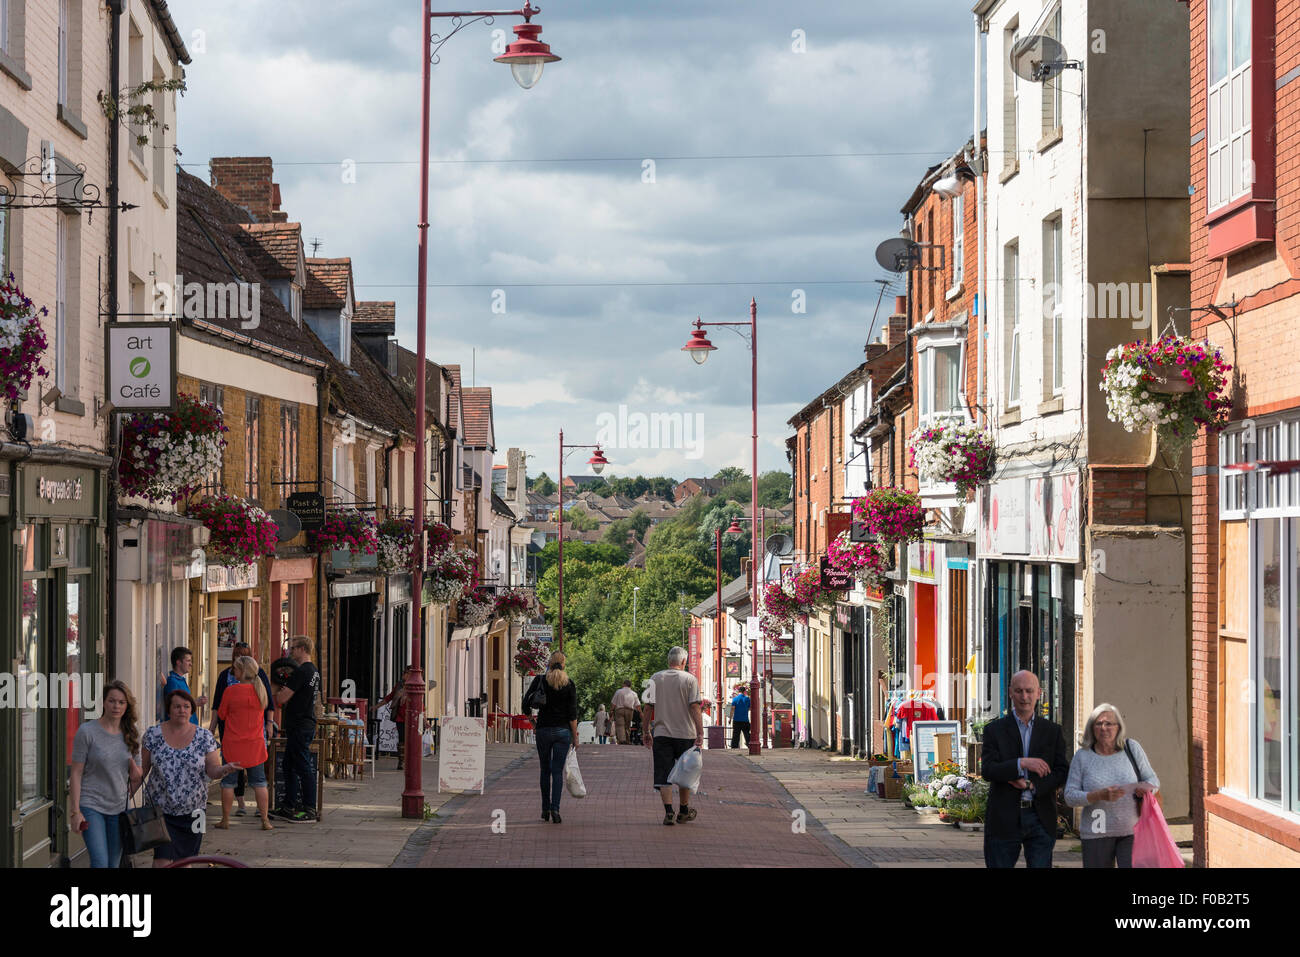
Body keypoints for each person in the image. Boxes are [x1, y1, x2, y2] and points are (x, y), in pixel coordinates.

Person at [980, 670, 1071, 868]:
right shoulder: (994, 730)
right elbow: (987, 770)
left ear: (1039, 693)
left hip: (1040, 817)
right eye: (1019, 691)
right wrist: (1021, 763)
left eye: (1029, 691)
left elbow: (1061, 771)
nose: (1024, 697)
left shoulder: (1052, 731)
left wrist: (1032, 785)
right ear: (1010, 693)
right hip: (1004, 818)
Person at [141, 688, 240, 866]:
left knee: (187, 860)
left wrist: (225, 769)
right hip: (159, 811)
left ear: (192, 710)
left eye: (186, 706)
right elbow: (142, 771)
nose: (182, 710)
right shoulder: (153, 734)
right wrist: (122, 800)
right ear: (169, 710)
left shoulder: (204, 736)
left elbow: (213, 770)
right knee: (161, 861)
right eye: (177, 706)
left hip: (196, 811)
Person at [1064, 702, 1160, 868]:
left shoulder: (1132, 748)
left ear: (1118, 727)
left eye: (1109, 723)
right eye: (1098, 723)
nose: (1103, 728)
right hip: (1096, 833)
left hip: (1133, 831)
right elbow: (1070, 796)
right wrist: (1098, 795)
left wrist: (1146, 788)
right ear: (1091, 728)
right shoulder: (1082, 756)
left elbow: (1153, 780)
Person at [70, 680, 143, 868]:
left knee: (113, 863)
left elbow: (138, 775)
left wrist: (135, 774)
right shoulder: (87, 732)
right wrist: (75, 812)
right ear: (104, 702)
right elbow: (76, 773)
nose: (116, 706)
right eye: (112, 701)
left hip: (119, 808)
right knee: (100, 862)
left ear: (127, 706)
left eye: (121, 702)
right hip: (91, 805)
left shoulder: (131, 734)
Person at [209, 643, 273, 815]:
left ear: (242, 671)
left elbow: (221, 714)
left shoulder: (231, 691)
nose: (234, 672)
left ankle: (226, 819)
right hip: (255, 743)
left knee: (228, 783)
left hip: (233, 743)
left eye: (237, 669)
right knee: (260, 782)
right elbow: (268, 708)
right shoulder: (260, 691)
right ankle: (265, 819)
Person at [644, 646, 704, 826]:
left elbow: (648, 707)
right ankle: (684, 810)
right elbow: (695, 707)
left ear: (668, 661)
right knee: (686, 772)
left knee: (663, 773)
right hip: (686, 733)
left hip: (662, 734)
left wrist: (645, 730)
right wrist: (700, 732)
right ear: (683, 662)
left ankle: (669, 811)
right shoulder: (690, 679)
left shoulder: (655, 678)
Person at [272, 636, 321, 823]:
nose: (290, 653)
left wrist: (276, 688)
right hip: (304, 723)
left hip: (300, 725)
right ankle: (288, 806)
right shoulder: (314, 671)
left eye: (292, 649)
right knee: (289, 766)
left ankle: (309, 808)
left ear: (302, 649)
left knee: (302, 766)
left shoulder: (301, 672)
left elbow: (281, 699)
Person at [530, 651, 578, 823]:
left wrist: (533, 723)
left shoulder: (540, 680)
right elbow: (572, 714)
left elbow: (525, 704)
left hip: (543, 729)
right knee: (557, 771)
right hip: (562, 732)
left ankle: (544, 809)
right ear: (564, 664)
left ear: (550, 663)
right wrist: (575, 736)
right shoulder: (569, 684)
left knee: (545, 770)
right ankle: (555, 809)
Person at [163, 647, 208, 725]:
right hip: (180, 730)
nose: (191, 664)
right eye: (188, 661)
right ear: (178, 662)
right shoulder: (172, 682)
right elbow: (175, 707)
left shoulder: (181, 680)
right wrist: (195, 703)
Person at [377, 671, 411, 770]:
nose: (404, 676)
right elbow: (390, 697)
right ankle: (401, 761)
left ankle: (409, 761)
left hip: (411, 719)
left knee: (410, 741)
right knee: (402, 740)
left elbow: (420, 704)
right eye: (404, 674)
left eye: (407, 674)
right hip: (400, 717)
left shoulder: (414, 686)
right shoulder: (399, 686)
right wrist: (377, 706)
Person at [611, 680, 640, 745]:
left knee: (620, 725)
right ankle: (627, 740)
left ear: (624, 684)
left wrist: (611, 710)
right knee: (627, 725)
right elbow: (638, 705)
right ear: (630, 685)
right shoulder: (634, 693)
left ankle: (622, 740)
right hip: (630, 711)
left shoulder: (618, 692)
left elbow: (613, 703)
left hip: (620, 710)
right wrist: (641, 712)